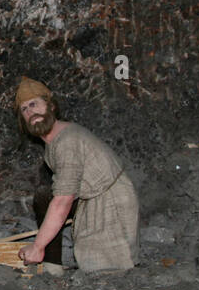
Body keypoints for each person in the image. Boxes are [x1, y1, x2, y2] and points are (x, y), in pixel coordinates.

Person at [14, 78, 139, 273]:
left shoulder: (66, 142)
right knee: (44, 197)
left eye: (34, 104)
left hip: (111, 202)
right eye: (24, 109)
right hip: (93, 197)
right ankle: (53, 265)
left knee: (105, 270)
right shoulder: (53, 143)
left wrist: (37, 246)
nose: (30, 112)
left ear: (51, 106)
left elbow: (63, 200)